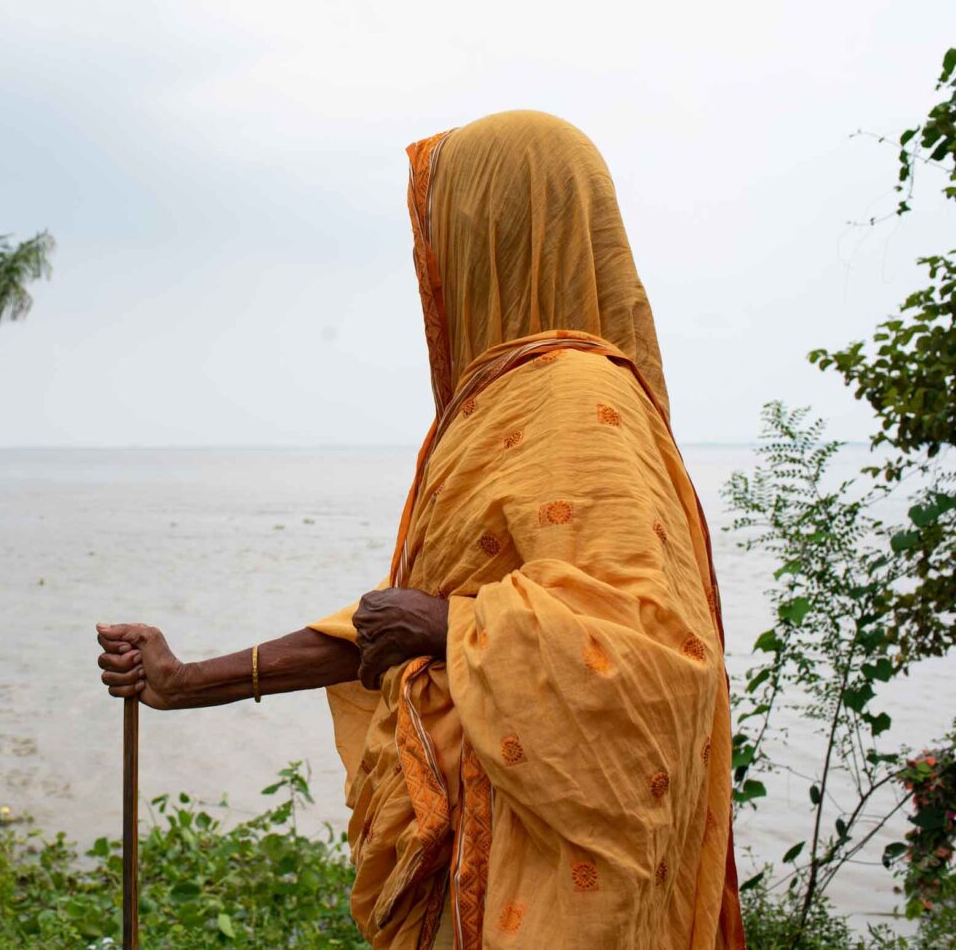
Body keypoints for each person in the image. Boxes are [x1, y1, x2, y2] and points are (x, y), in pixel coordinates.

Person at [95, 110, 745, 950]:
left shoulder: (585, 399)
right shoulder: (495, 405)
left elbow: (660, 663)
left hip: (555, 890)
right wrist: (186, 681)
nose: (431, 262)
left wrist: (447, 625)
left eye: (445, 229)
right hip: (475, 864)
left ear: (498, 231)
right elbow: (397, 627)